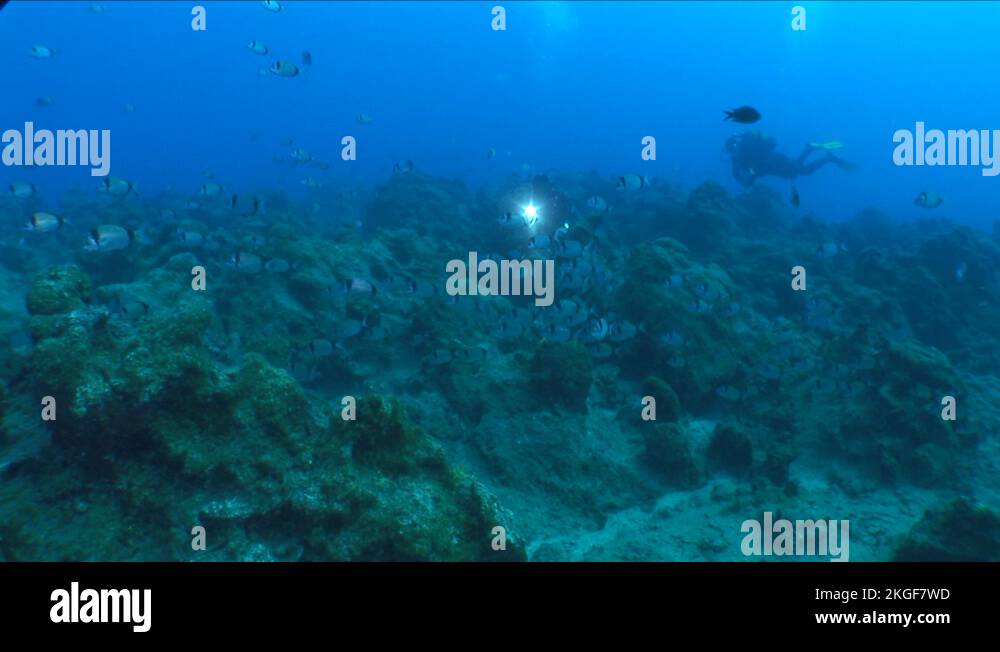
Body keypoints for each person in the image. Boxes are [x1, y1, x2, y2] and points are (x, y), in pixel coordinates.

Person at [725, 131, 854, 187]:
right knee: (798, 166)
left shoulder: (739, 160)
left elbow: (742, 176)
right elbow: (746, 174)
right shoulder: (745, 154)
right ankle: (809, 149)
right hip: (777, 158)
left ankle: (828, 158)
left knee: (805, 171)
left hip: (777, 165)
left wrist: (747, 181)